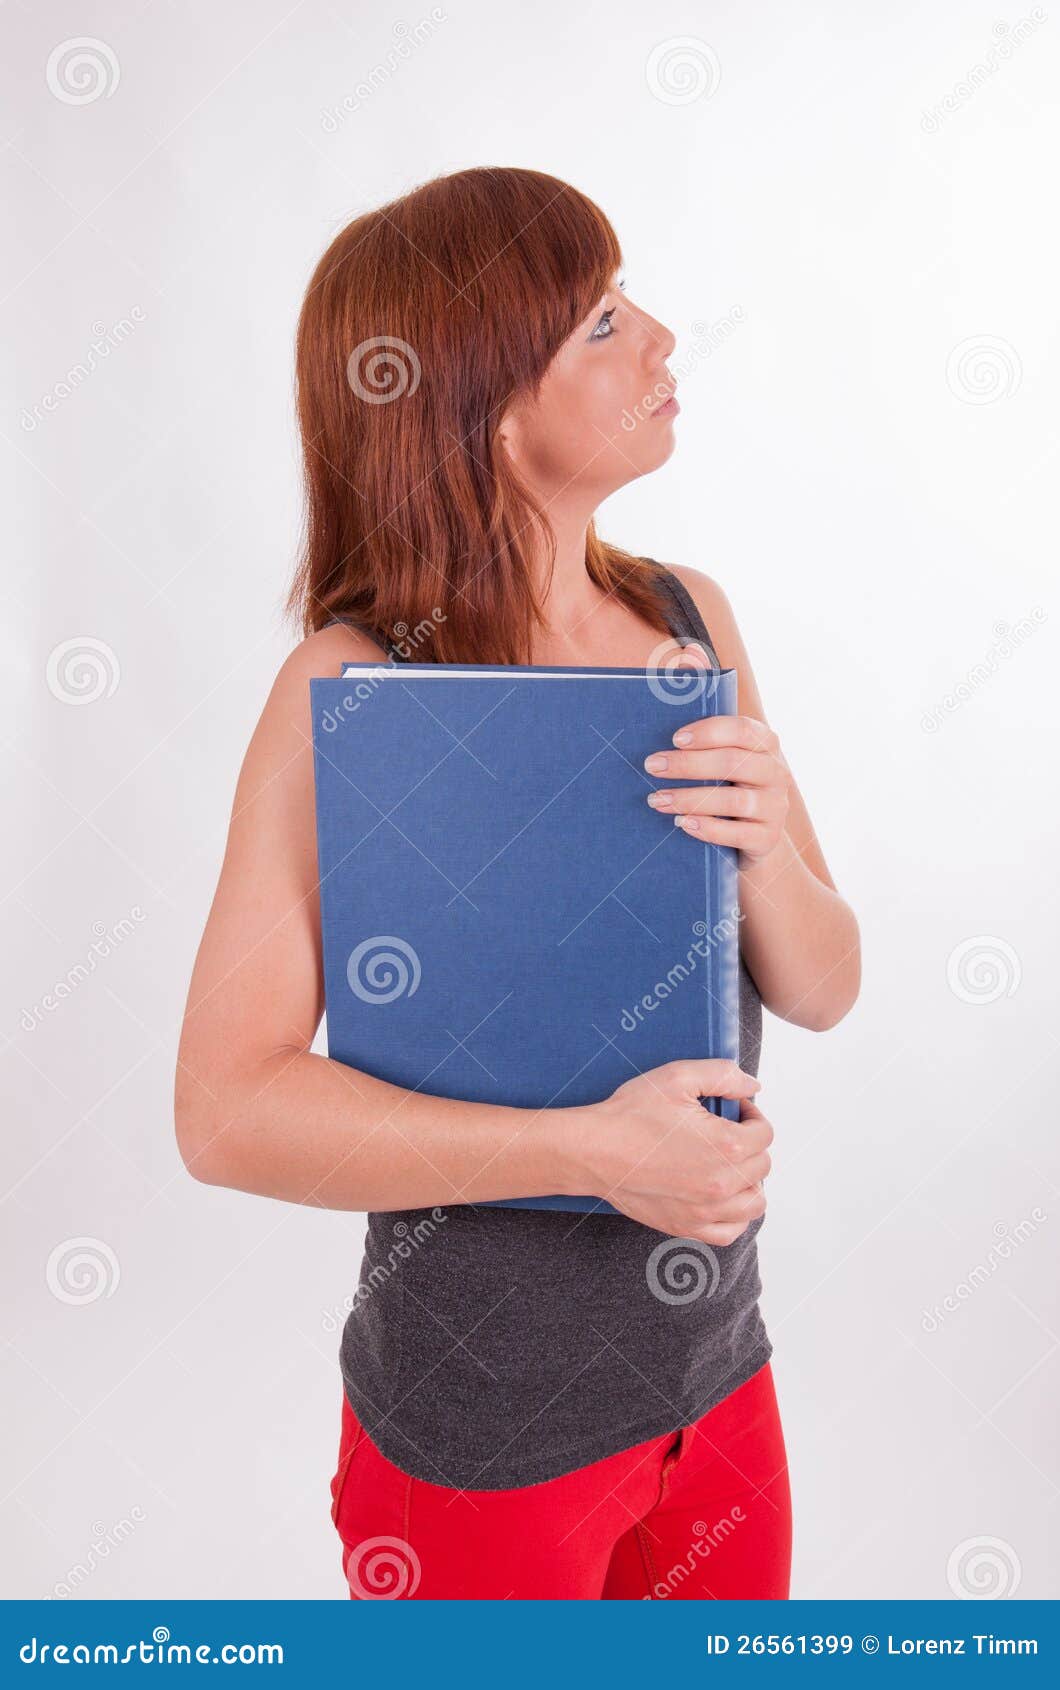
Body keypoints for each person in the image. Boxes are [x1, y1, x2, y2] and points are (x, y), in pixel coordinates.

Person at [174, 166, 860, 1601]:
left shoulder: (687, 617)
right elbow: (225, 1111)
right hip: (475, 1442)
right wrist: (592, 1153)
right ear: (487, 405)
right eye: (604, 321)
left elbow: (826, 984)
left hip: (719, 1391)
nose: (665, 336)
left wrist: (772, 833)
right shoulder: (350, 689)